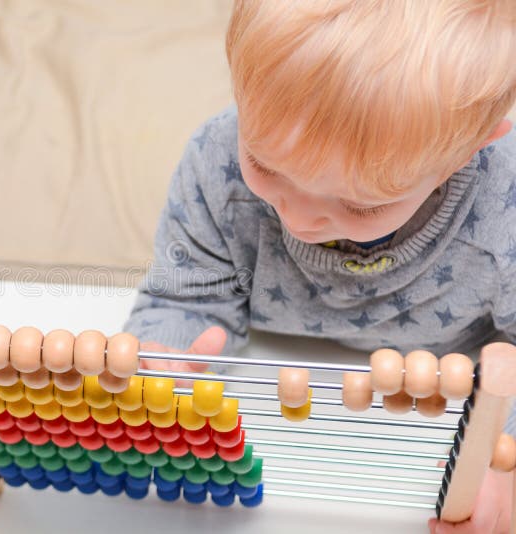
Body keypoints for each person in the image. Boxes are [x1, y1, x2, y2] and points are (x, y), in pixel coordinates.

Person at [123, 2, 516, 532]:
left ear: (470, 151)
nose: (300, 217)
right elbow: (183, 298)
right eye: (264, 165)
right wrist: (164, 359)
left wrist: (502, 468)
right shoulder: (217, 166)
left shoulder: (503, 217)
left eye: (361, 205)